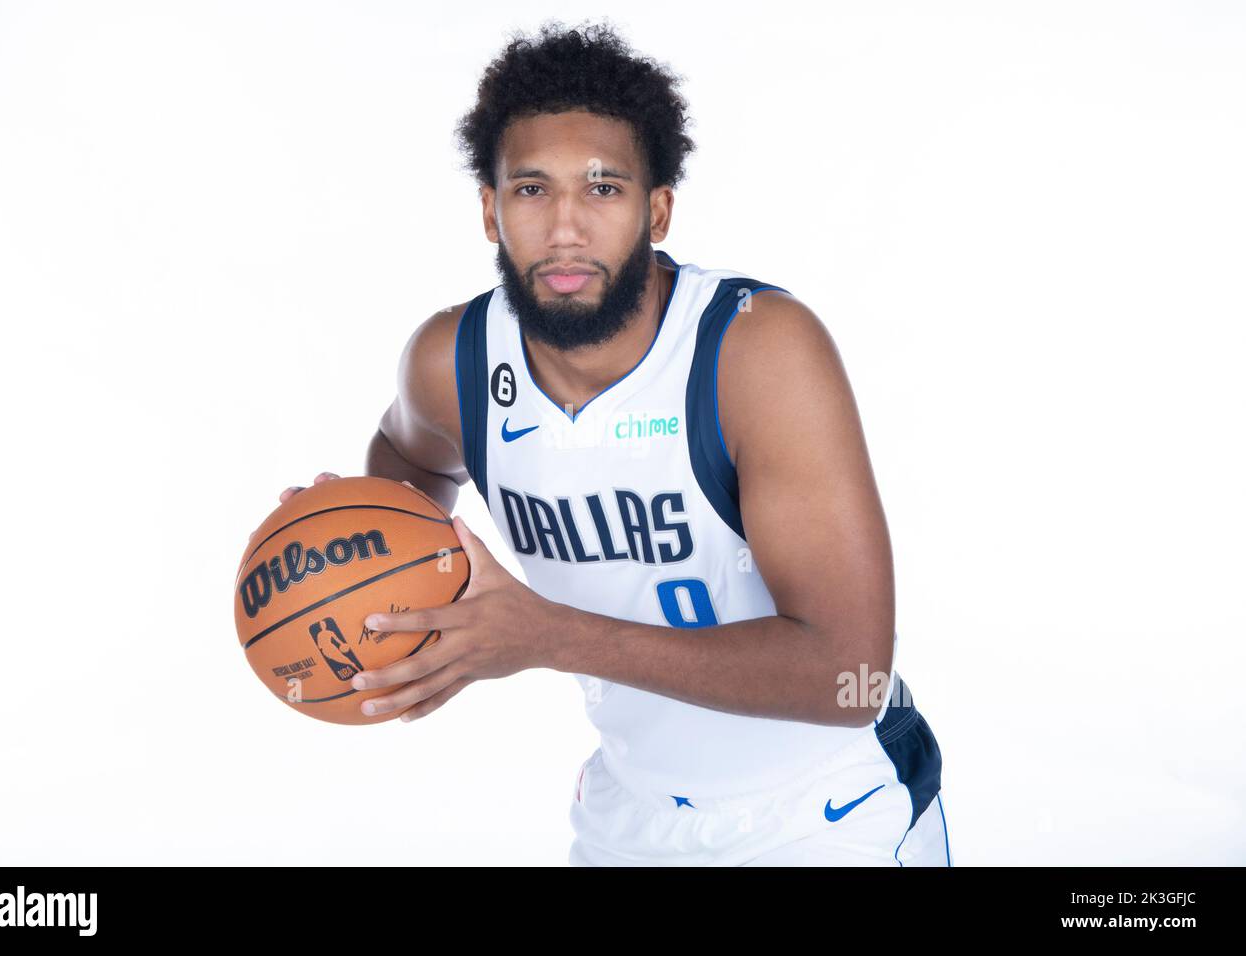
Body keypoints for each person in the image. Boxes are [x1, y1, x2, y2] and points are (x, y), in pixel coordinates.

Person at [264, 20, 950, 866]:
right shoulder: (452, 363)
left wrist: (545, 634)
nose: (564, 228)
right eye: (530, 190)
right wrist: (359, 537)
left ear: (657, 208)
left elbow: (852, 680)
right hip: (628, 811)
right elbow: (407, 462)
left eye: (602, 189)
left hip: (825, 812)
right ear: (490, 210)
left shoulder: (754, 352)